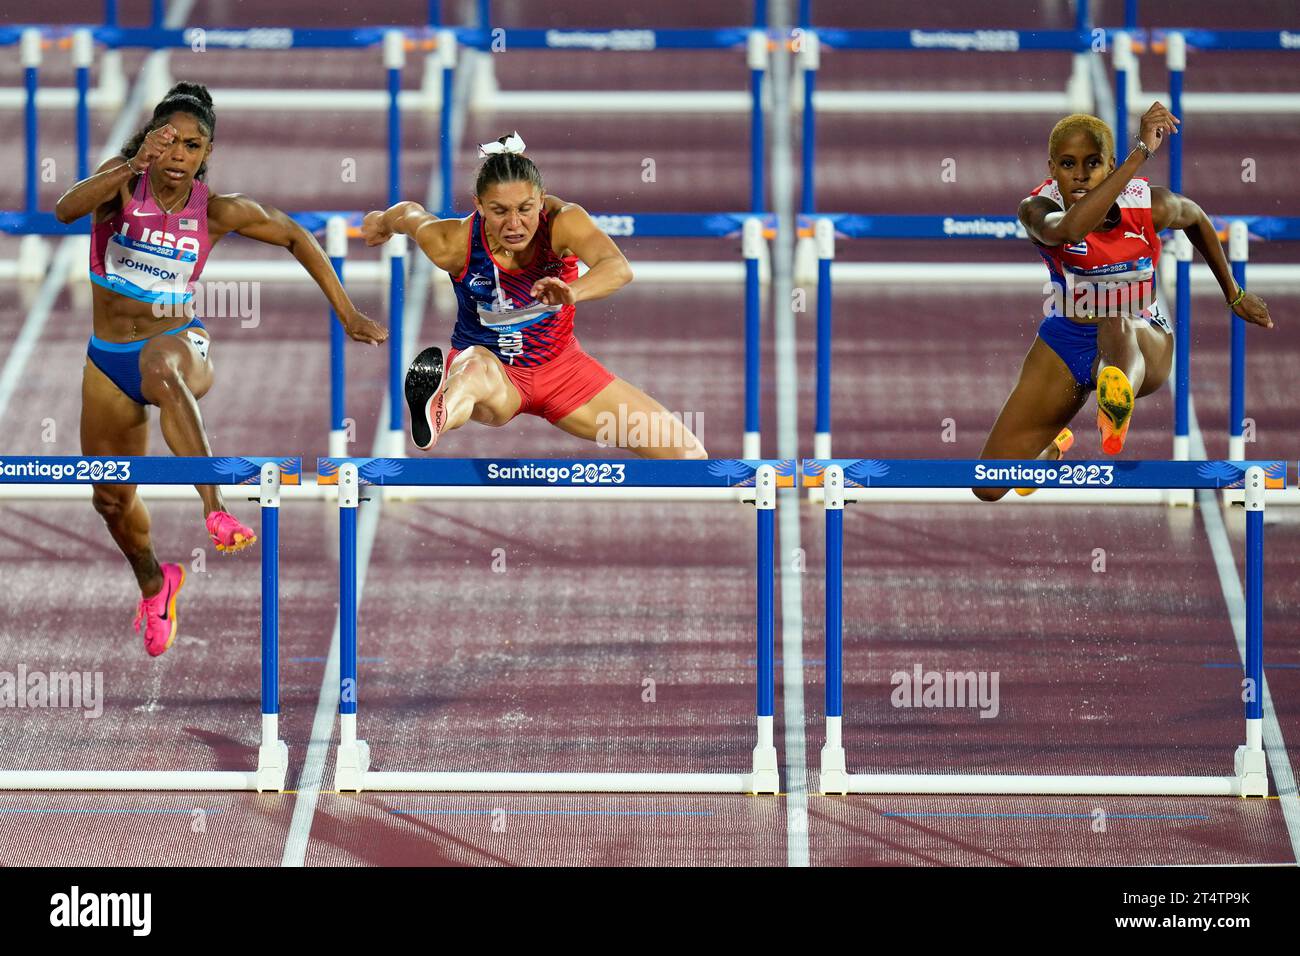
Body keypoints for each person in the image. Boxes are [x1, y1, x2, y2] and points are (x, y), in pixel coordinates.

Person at [54, 82, 387, 655]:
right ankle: (156, 585)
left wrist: (349, 312)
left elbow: (294, 236)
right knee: (110, 498)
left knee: (161, 368)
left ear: (206, 154)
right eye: (171, 141)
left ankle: (214, 508)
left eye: (193, 145)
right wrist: (130, 164)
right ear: (152, 141)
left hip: (180, 341)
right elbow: (64, 210)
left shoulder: (218, 211)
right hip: (107, 357)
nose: (180, 154)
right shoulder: (121, 185)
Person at [975, 102, 1273, 501]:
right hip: (1067, 339)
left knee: (1116, 322)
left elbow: (1197, 218)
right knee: (989, 484)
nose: (1079, 174)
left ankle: (1117, 402)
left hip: (1140, 340)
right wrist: (1140, 154)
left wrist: (1233, 292)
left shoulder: (1150, 205)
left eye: (1092, 163)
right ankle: (1048, 449)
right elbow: (1071, 227)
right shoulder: (1036, 209)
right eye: (1067, 164)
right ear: (1051, 169)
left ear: (1109, 165)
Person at [360, 132, 705, 459]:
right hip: (496, 376)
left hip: (565, 373)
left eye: (525, 209)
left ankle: (442, 403)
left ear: (541, 199)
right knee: (473, 366)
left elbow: (618, 268)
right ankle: (438, 411)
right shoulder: (453, 242)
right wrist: (382, 222)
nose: (514, 223)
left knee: (689, 456)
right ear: (478, 205)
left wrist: (573, 292)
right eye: (499, 211)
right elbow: (408, 215)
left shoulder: (563, 221)